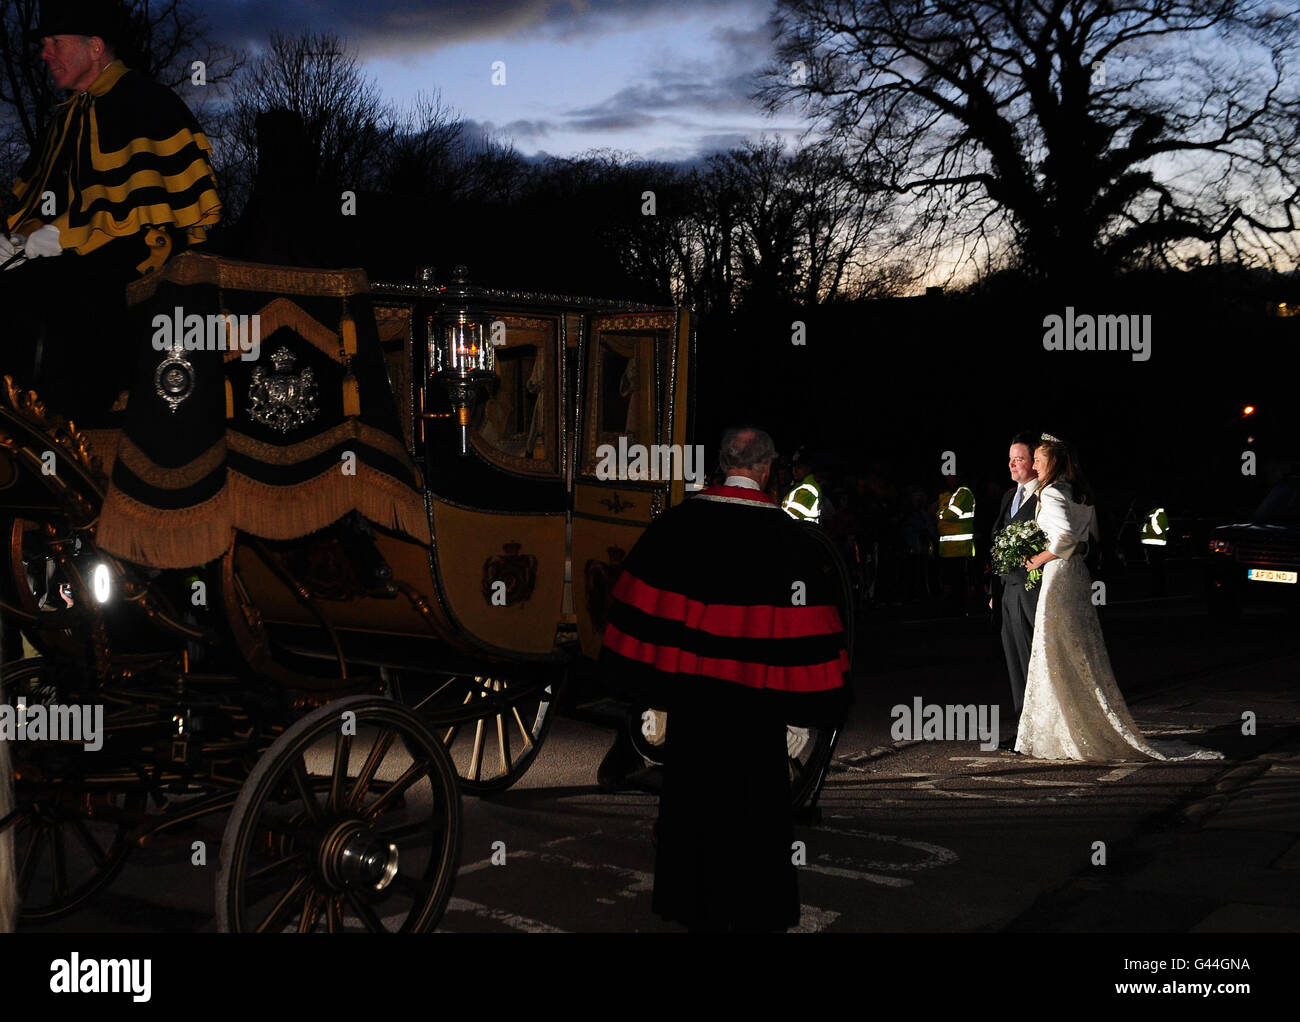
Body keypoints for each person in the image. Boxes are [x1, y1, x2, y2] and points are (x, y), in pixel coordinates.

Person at [599, 425, 851, 931]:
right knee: (754, 816)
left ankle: (691, 904)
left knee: (692, 805)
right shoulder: (791, 541)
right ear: (766, 470)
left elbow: (631, 615)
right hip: (756, 719)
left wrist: (654, 696)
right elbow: (816, 644)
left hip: (693, 712)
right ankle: (753, 910)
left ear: (721, 464)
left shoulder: (675, 527)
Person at [0, 0, 221, 420]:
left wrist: (59, 239)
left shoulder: (146, 102)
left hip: (132, 265)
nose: (45, 53)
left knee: (52, 295)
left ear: (95, 46)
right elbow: (46, 204)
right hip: (67, 262)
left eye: (55, 42)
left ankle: (61, 426)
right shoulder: (64, 118)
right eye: (44, 43)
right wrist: (19, 239)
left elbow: (146, 217)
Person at [1015, 435, 1222, 761]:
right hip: (1077, 577)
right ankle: (1078, 724)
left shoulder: (1053, 492)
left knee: (1052, 650)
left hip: (1058, 578)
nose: (1034, 465)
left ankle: (1063, 730)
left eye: (1038, 459)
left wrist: (1039, 558)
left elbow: (1065, 536)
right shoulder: (1076, 491)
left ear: (1051, 462)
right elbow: (1086, 538)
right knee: (1079, 650)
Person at [991, 430, 1041, 747]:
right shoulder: (1009, 496)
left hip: (1030, 590)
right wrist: (993, 591)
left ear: (1035, 463)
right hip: (1007, 591)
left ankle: (1039, 728)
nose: (1012, 464)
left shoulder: (1044, 497)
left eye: (1019, 458)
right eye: (1010, 459)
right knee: (1013, 660)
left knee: (1031, 658)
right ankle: (1024, 728)